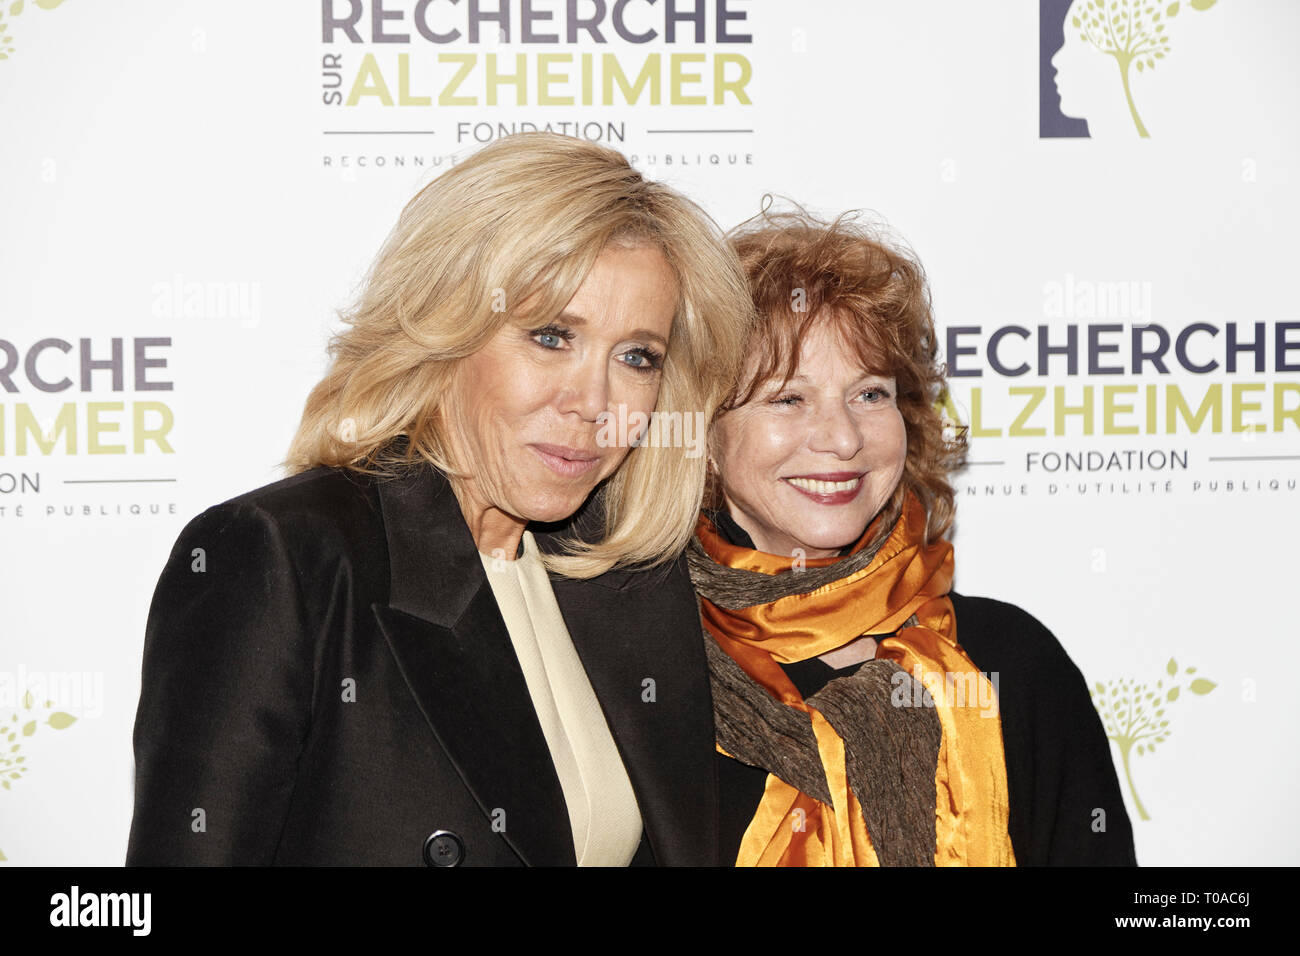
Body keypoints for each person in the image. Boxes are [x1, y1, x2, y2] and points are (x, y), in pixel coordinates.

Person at [125, 132, 754, 866]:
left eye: (636, 357)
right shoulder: (282, 561)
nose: (595, 402)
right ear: (446, 328)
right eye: (551, 337)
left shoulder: (626, 579)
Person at [688, 206, 1137, 866]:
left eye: (870, 394)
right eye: (789, 399)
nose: (842, 438)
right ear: (705, 432)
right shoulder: (647, 677)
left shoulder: (1011, 662)